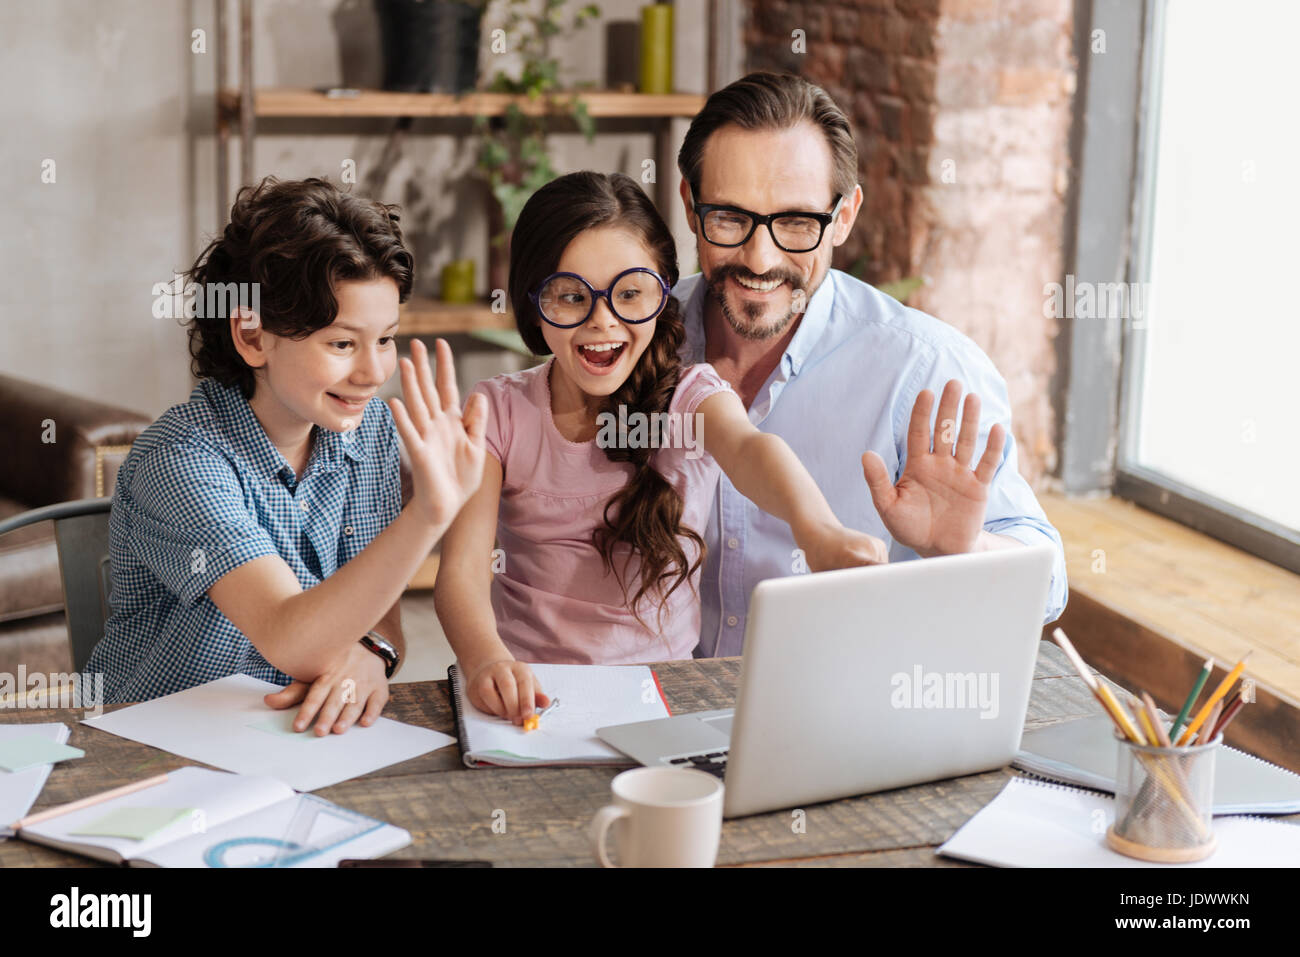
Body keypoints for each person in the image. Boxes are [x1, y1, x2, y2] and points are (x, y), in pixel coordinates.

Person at [434, 171, 891, 724]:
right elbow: (460, 574)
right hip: (532, 698)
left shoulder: (691, 398)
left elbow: (748, 450)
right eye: (571, 296)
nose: (602, 321)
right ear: (534, 302)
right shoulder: (498, 412)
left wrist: (817, 529)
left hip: (664, 700)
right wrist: (485, 660)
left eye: (630, 293)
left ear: (664, 291)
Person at [672, 72, 1068, 657]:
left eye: (797, 224)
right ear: (689, 204)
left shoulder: (925, 369)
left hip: (842, 725)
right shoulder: (636, 340)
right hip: (655, 715)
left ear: (844, 217)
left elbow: (1047, 582)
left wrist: (964, 553)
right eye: (730, 218)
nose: (761, 258)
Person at [86, 177, 487, 735]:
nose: (373, 373)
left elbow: (379, 609)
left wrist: (374, 654)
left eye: (386, 339)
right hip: (154, 741)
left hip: (288, 734)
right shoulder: (180, 459)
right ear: (252, 336)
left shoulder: (364, 428)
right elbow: (289, 638)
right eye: (342, 344)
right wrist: (428, 515)